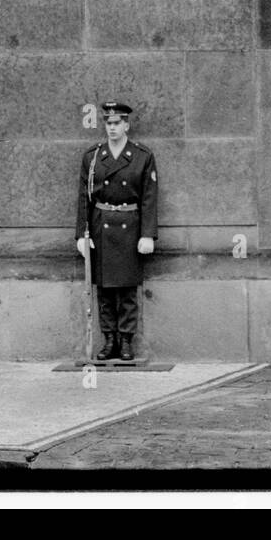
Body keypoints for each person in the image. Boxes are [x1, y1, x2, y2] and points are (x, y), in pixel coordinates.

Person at [76, 101, 158, 363]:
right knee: (105, 290)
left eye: (116, 123)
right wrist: (81, 234)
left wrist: (147, 234)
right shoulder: (92, 157)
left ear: (126, 125)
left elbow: (149, 197)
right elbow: (83, 198)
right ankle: (109, 338)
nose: (111, 128)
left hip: (129, 227)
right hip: (101, 227)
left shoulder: (142, 156)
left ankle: (125, 340)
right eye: (108, 123)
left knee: (126, 291)